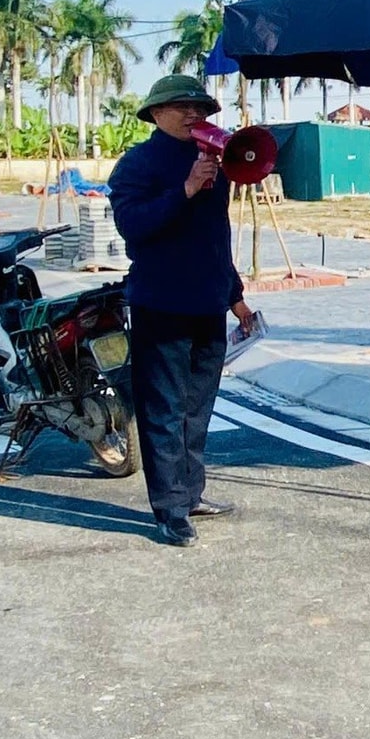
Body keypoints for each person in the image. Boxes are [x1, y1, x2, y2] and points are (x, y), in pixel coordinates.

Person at [109, 75, 257, 547]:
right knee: (164, 410)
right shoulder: (137, 164)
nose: (195, 115)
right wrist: (187, 189)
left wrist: (235, 296)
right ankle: (170, 509)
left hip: (208, 303)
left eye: (201, 108)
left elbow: (215, 238)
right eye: (181, 107)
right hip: (163, 304)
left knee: (198, 407)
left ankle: (192, 493)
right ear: (155, 113)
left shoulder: (216, 161)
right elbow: (134, 227)